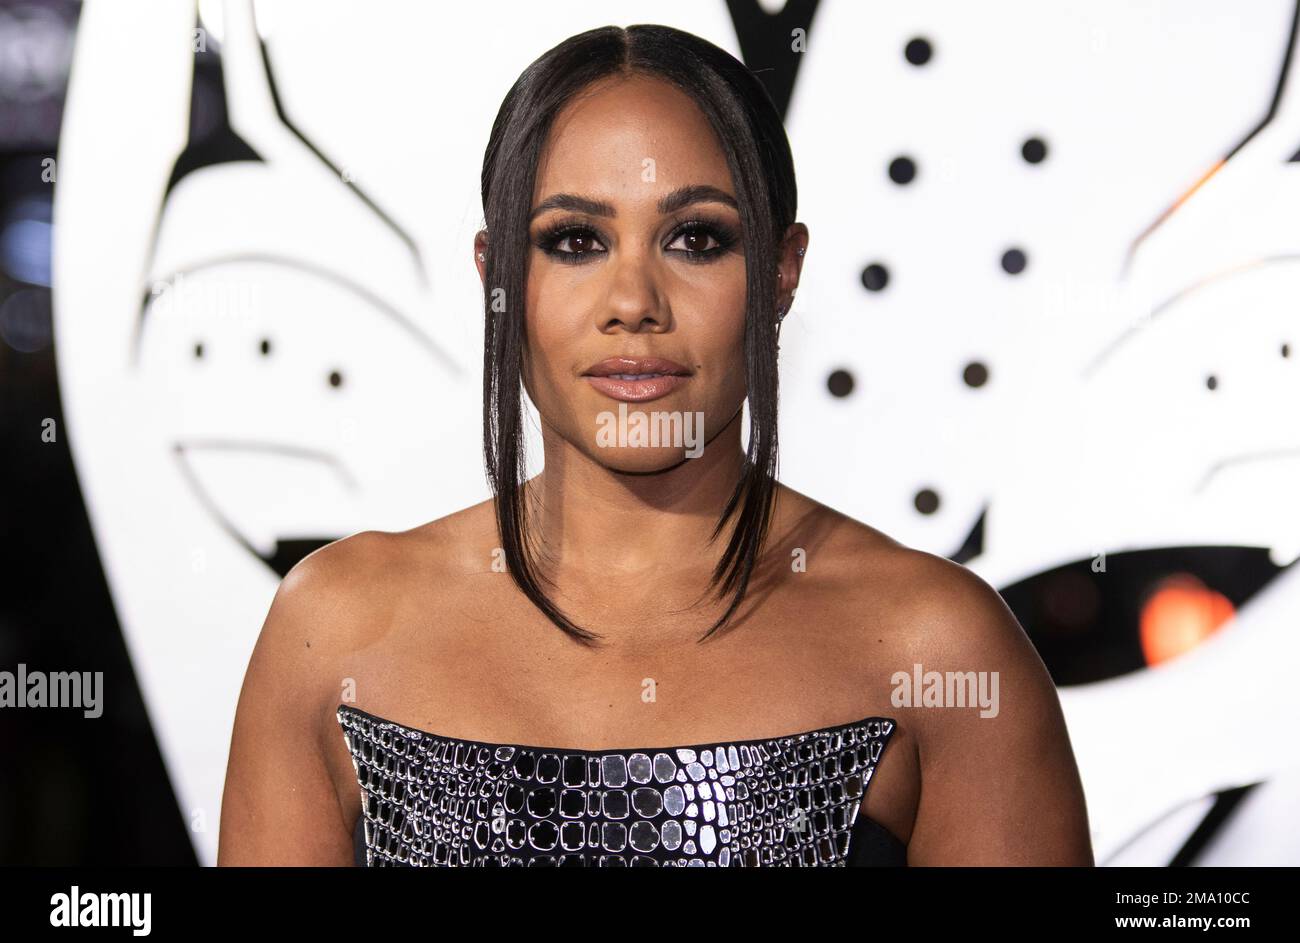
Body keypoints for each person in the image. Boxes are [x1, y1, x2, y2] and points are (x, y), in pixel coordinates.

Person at [217, 23, 1093, 867]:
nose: (633, 299)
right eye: (575, 241)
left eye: (696, 238)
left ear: (782, 271)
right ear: (496, 276)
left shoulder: (938, 648)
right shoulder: (333, 631)